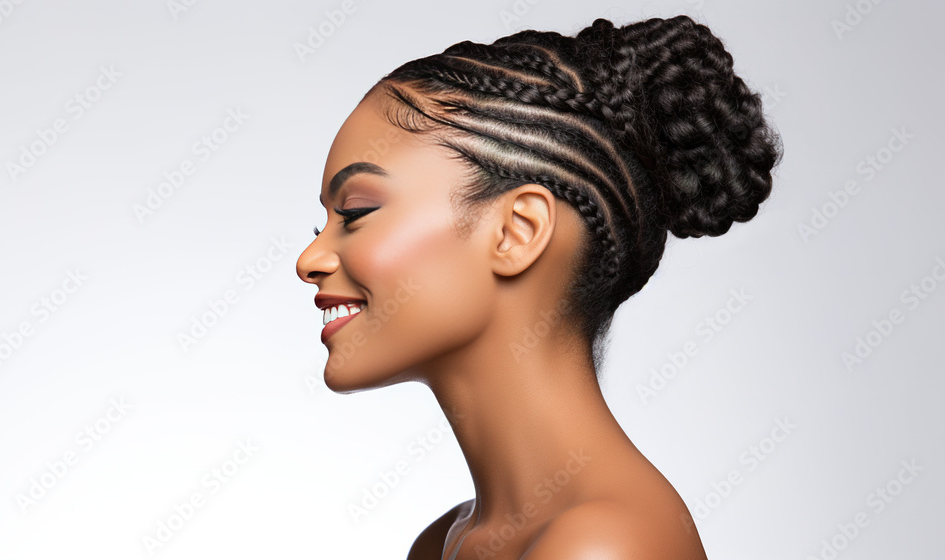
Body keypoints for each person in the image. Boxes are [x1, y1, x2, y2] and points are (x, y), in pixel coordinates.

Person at [296, 14, 782, 560]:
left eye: (356, 211)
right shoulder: (438, 545)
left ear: (517, 231)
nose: (309, 260)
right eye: (322, 225)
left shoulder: (607, 547)